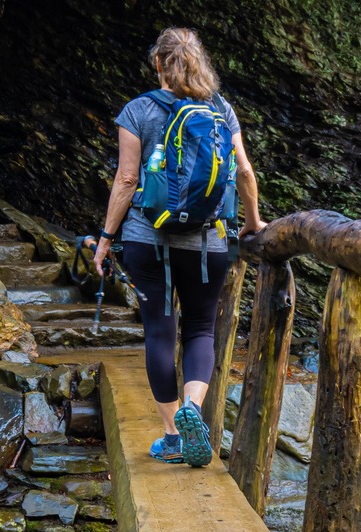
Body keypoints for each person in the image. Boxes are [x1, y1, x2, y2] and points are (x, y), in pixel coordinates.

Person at [91, 27, 264, 467]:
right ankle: (193, 407)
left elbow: (128, 180)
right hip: (208, 245)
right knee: (201, 328)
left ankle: (172, 435)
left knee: (160, 331)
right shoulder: (221, 110)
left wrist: (107, 238)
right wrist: (253, 222)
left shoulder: (139, 111)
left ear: (158, 65)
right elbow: (243, 172)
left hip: (147, 240)